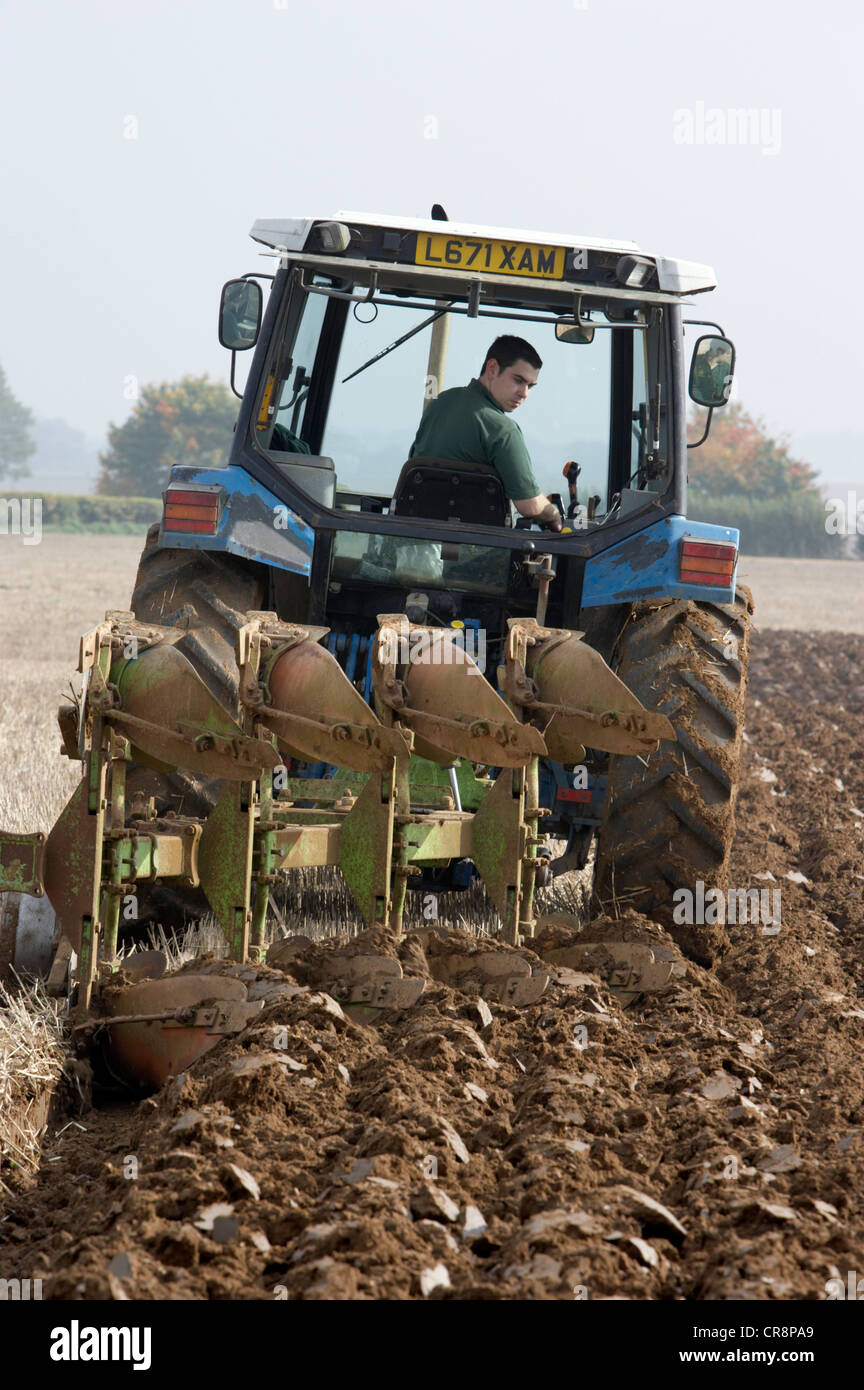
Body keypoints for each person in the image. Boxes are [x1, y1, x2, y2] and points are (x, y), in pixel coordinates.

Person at [408, 335, 563, 530]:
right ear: (492, 369)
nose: (524, 393)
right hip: (474, 552)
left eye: (530, 386)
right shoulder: (503, 430)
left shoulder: (439, 402)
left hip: (410, 537)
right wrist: (553, 513)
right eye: (518, 380)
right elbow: (530, 505)